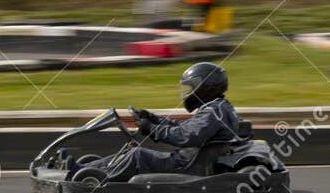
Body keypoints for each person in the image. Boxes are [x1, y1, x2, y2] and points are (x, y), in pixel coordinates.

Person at [89, 62, 245, 183]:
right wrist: (155, 120)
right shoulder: (218, 107)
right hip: (188, 160)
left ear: (205, 87)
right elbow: (185, 128)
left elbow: (186, 136)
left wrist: (152, 129)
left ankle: (93, 178)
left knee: (138, 155)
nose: (188, 92)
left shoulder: (213, 111)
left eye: (191, 87)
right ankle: (87, 168)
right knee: (134, 153)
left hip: (187, 166)